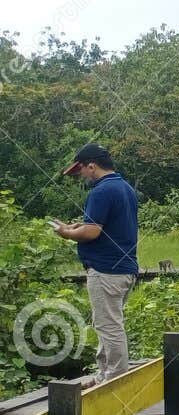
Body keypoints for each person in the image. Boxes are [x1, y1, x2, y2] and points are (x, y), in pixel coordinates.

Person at [53, 143, 139, 384]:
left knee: (109, 326)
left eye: (80, 170)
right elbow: (103, 224)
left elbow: (92, 232)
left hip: (106, 270)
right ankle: (104, 374)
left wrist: (66, 234)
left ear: (91, 165)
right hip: (124, 268)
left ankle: (116, 378)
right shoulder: (124, 188)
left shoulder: (101, 191)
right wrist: (75, 227)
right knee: (105, 323)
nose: (81, 175)